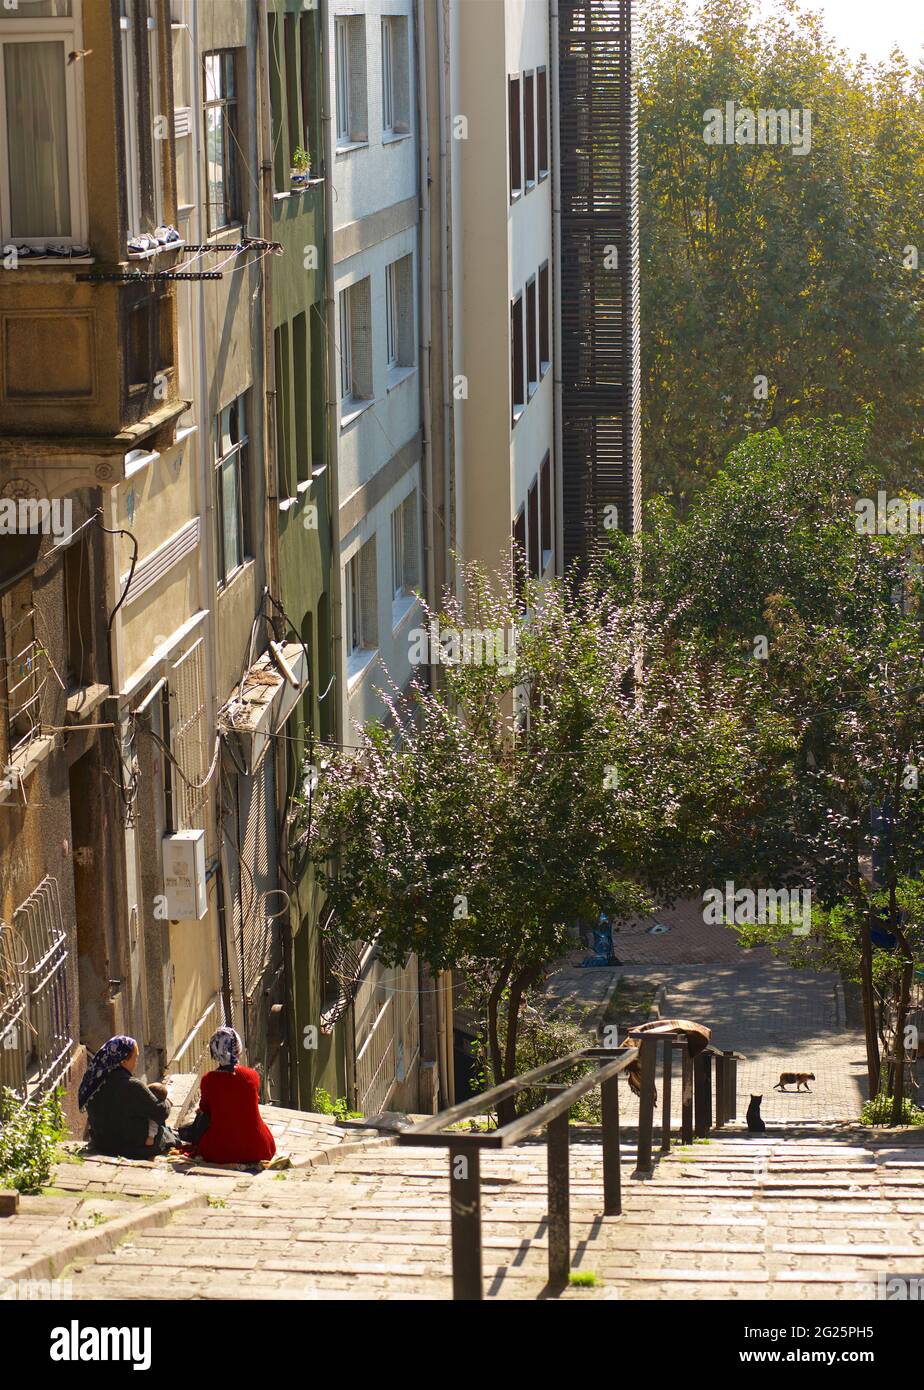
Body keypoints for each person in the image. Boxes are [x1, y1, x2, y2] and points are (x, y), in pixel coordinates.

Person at [183, 1027, 276, 1165]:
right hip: (259, 1148)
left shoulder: (208, 1080)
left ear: (214, 1053)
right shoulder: (252, 1076)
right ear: (238, 1049)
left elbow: (205, 1109)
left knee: (196, 1125)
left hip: (220, 1151)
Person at [80, 1036, 178, 1159]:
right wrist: (167, 1102)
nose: (136, 1062)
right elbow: (160, 1112)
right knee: (166, 1134)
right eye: (135, 1057)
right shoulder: (132, 1086)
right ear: (123, 1061)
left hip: (101, 1144)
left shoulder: (93, 1083)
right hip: (132, 1148)